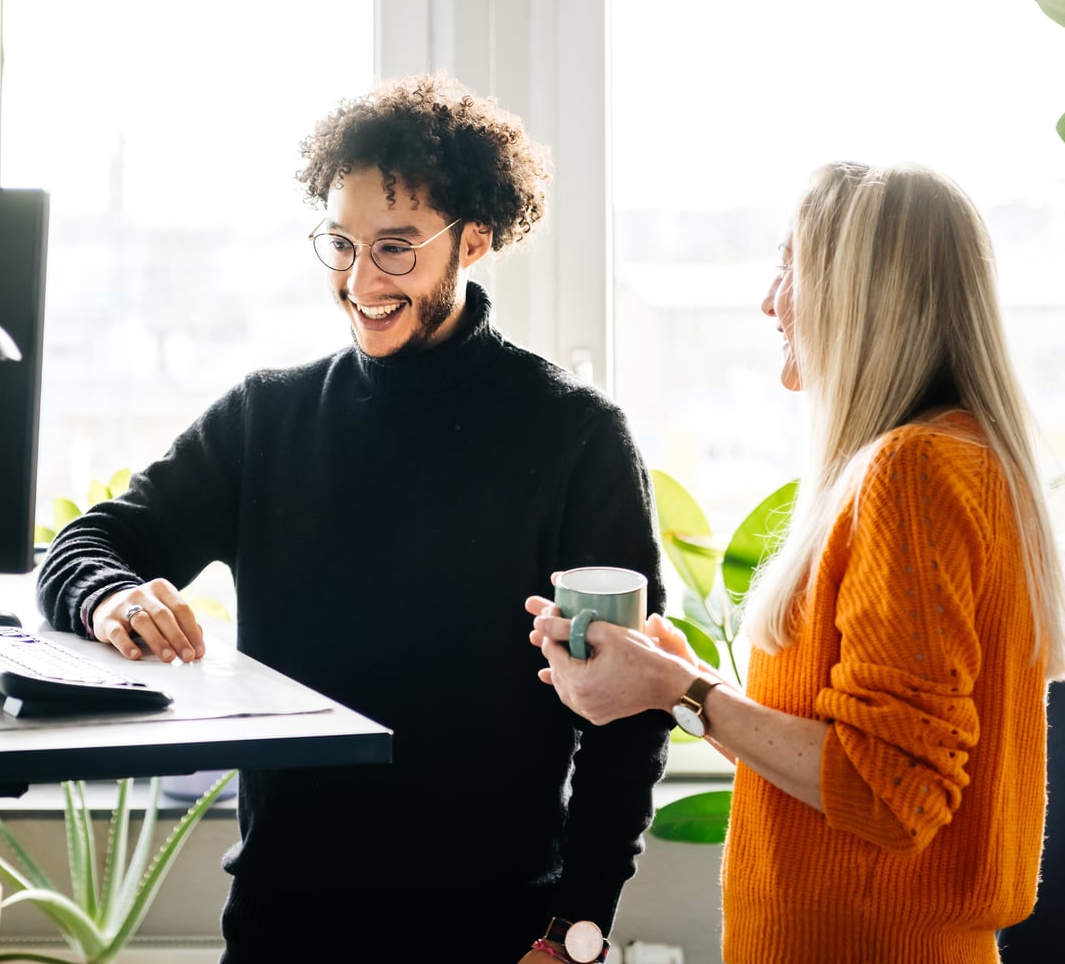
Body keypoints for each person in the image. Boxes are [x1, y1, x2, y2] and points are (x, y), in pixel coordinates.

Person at [38, 74, 669, 963]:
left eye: (397, 247)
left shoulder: (575, 436)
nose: (360, 280)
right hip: (282, 924)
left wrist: (577, 929)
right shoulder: (267, 419)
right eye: (341, 243)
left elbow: (631, 715)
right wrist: (109, 599)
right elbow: (86, 546)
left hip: (497, 931)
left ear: (475, 240)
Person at [527, 161, 1065, 963]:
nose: (768, 299)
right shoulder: (963, 458)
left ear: (861, 295)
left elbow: (889, 794)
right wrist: (683, 685)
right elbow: (842, 761)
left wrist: (679, 688)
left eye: (790, 266)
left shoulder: (913, 474)